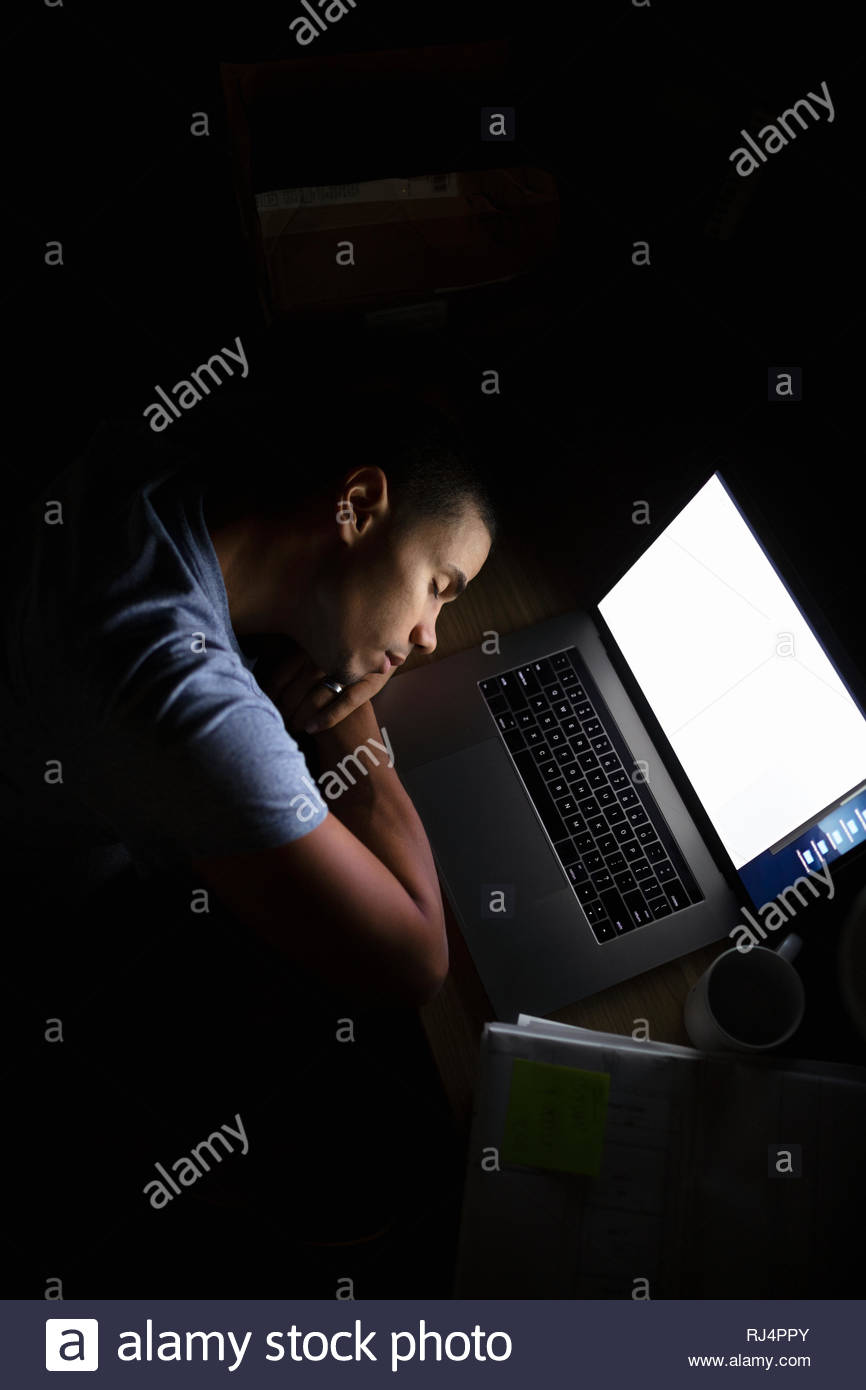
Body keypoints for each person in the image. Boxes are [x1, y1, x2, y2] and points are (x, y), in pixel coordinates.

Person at [0, 380, 497, 1293]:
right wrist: (360, 732)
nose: (429, 637)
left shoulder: (149, 472)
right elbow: (416, 959)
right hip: (50, 923)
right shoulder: (179, 692)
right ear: (357, 507)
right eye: (439, 587)